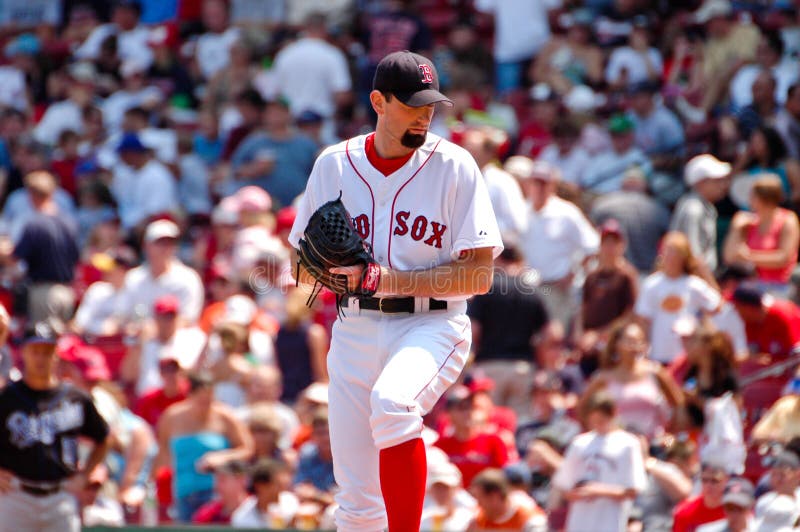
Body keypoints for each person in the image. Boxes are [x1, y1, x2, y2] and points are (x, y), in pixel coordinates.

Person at [289, 51, 502, 532]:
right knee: (358, 505)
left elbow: (479, 275)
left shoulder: (454, 165)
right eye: (412, 104)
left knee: (394, 404)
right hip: (355, 327)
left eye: (430, 105)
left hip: (430, 323)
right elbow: (299, 270)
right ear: (378, 102)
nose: (425, 115)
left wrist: (385, 279)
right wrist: (326, 272)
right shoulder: (333, 165)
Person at [0, 322, 111, 532]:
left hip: (61, 496)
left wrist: (85, 475)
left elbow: (103, 438)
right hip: (15, 497)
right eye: (35, 351)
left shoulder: (75, 398)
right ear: (23, 352)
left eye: (46, 351)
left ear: (56, 354)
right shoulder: (7, 398)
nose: (40, 358)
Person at [154, 372, 254, 522]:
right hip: (183, 493)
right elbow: (163, 453)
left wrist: (222, 457)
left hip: (215, 493)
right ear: (190, 395)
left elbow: (247, 448)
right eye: (201, 399)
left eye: (209, 399)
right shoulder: (171, 417)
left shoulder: (225, 416)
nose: (205, 405)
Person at [467, 246, 549, 417]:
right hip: (523, 367)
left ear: (498, 259)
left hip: (490, 365)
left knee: (489, 420)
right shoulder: (532, 292)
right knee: (519, 424)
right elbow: (549, 334)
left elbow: (474, 329)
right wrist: (541, 365)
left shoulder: (485, 289)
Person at [518, 160, 599, 327]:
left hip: (556, 288)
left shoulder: (566, 213)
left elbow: (593, 246)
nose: (539, 188)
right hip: (527, 289)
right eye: (536, 182)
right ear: (529, 184)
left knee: (555, 337)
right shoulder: (521, 211)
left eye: (544, 183)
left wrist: (572, 274)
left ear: (553, 185)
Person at [552, 391, 647, 532]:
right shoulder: (580, 443)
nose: (597, 424)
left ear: (612, 414)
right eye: (593, 420)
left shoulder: (628, 443)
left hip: (610, 522)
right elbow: (564, 485)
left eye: (601, 419)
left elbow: (633, 490)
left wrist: (599, 491)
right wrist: (578, 493)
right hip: (580, 521)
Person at [580, 319, 684, 439]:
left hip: (651, 443)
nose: (634, 347)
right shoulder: (603, 378)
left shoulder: (655, 372)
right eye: (629, 342)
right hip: (616, 445)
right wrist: (597, 434)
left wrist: (670, 434)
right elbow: (583, 409)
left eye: (638, 342)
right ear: (616, 344)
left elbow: (679, 404)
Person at [635, 231, 721, 364]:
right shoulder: (651, 284)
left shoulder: (694, 284)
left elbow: (716, 306)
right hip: (658, 353)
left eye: (676, 252)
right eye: (668, 251)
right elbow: (644, 320)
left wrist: (705, 272)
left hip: (687, 356)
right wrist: (643, 348)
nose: (671, 257)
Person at [11, 171, 80, 326]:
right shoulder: (69, 222)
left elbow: (16, 257)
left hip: (43, 293)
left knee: (44, 346)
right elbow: (76, 257)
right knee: (62, 345)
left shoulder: (34, 224)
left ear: (33, 195)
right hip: (66, 292)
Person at [724, 174, 800, 295]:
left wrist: (749, 257)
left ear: (763, 198)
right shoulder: (748, 221)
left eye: (752, 195)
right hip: (750, 286)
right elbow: (729, 257)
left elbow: (783, 258)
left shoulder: (788, 220)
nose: (749, 199)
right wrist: (736, 228)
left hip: (780, 288)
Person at [671, 154, 732, 273]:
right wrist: (712, 287)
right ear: (701, 183)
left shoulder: (704, 206)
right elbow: (694, 256)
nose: (723, 185)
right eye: (717, 180)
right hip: (692, 280)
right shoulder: (694, 209)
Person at [466, 467, 548, 531]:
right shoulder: (476, 520)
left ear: (495, 497)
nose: (477, 505)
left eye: (480, 499)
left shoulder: (531, 521)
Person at [230, 458, 299, 528]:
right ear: (260, 486)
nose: (281, 490)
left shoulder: (292, 502)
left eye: (283, 485)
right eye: (278, 485)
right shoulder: (242, 519)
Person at [672, 457, 730, 532]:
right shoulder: (684, 511)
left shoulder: (734, 511)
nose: (709, 485)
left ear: (726, 480)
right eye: (704, 480)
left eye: (715, 481)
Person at [752, 450, 800, 530]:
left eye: (782, 474)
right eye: (773, 474)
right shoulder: (764, 503)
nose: (777, 479)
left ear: (798, 475)